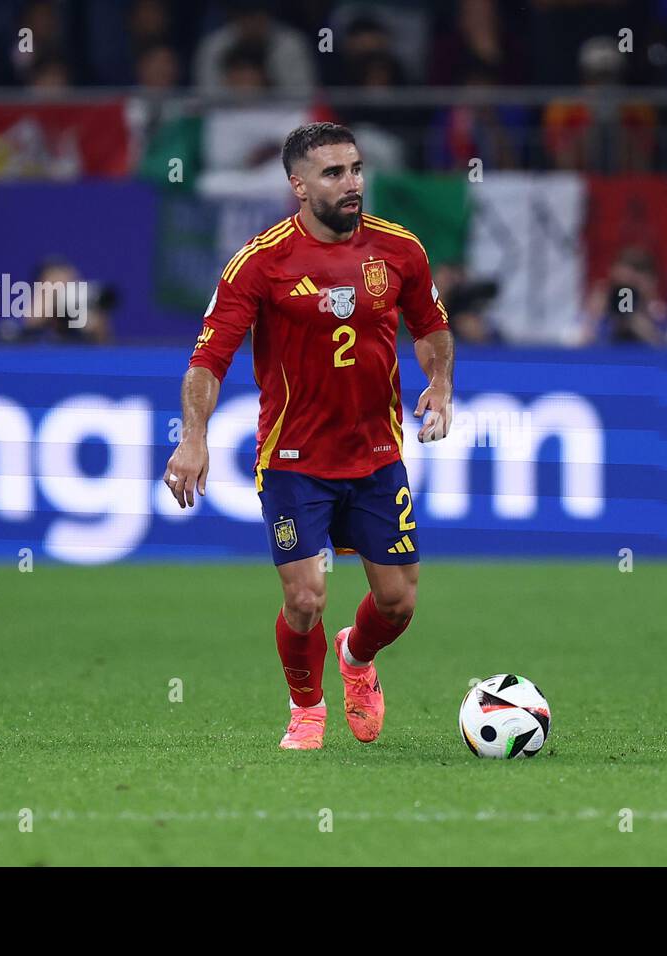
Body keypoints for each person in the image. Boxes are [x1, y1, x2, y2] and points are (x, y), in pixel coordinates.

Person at [163, 123, 455, 752]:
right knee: (305, 598)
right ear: (297, 185)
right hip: (295, 461)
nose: (351, 183)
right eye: (332, 173)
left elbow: (431, 327)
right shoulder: (261, 263)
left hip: (377, 456)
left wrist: (441, 385)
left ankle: (355, 656)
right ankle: (306, 710)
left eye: (355, 169)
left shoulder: (399, 250)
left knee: (399, 604)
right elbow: (208, 361)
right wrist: (194, 438)